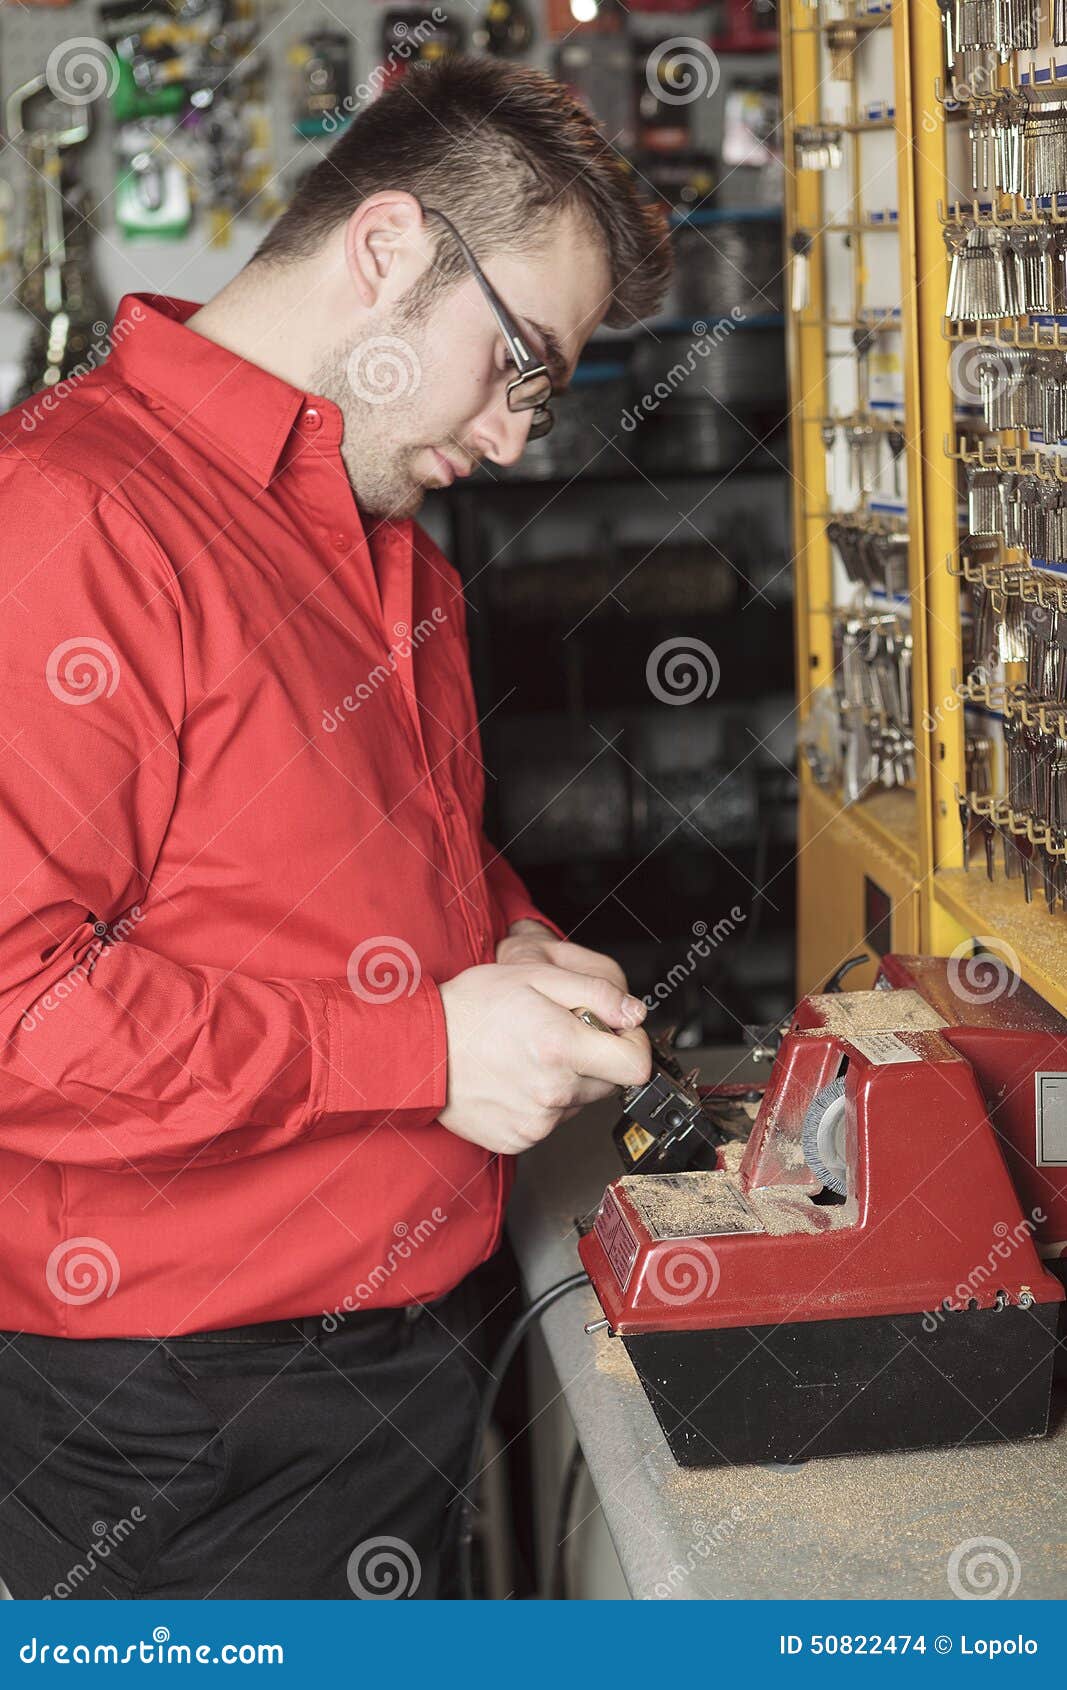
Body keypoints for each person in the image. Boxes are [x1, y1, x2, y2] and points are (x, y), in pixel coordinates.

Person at [0, 54, 670, 1599]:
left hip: (395, 1362)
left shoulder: (384, 543)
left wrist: (507, 937)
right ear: (384, 249)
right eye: (516, 364)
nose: (516, 436)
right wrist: (423, 1050)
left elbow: (380, 851)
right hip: (179, 1421)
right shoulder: (69, 519)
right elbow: (19, 1005)